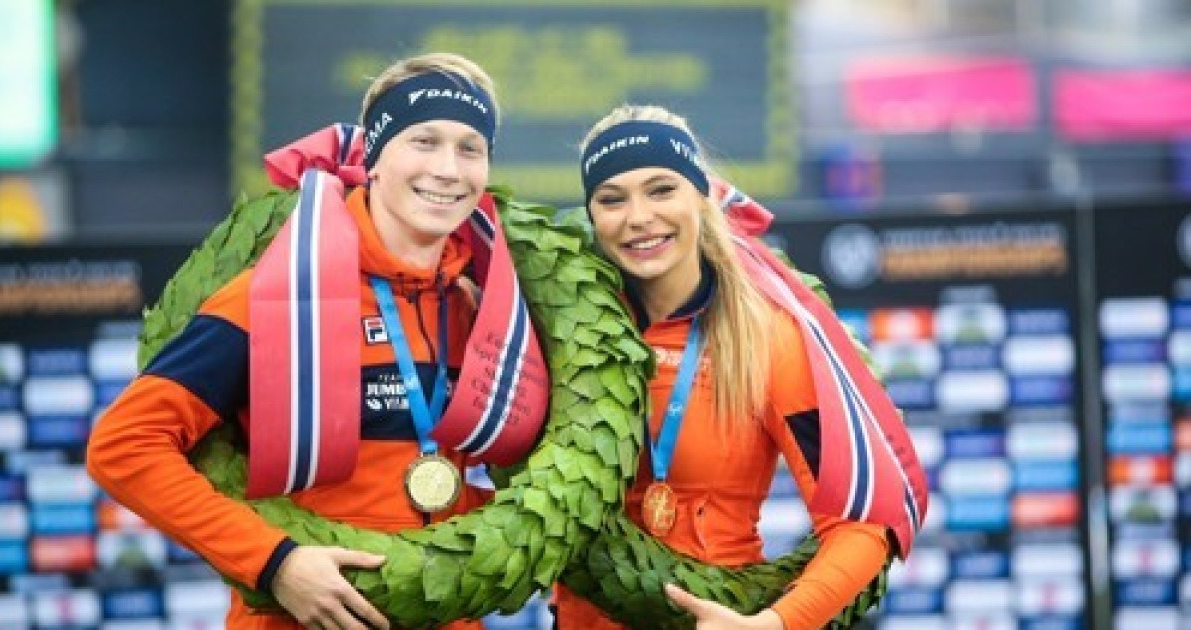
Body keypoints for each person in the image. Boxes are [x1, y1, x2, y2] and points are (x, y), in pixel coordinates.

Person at [87, 52, 550, 630]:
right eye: (424, 141)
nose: (449, 169)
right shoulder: (281, 295)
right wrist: (274, 562)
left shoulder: (483, 313)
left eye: (470, 148)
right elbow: (123, 446)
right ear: (375, 158)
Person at [552, 104, 927, 629]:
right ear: (593, 216)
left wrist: (774, 624)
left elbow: (862, 522)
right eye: (612, 199)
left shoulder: (767, 336)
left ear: (701, 197)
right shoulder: (557, 332)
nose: (638, 217)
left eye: (661, 189)